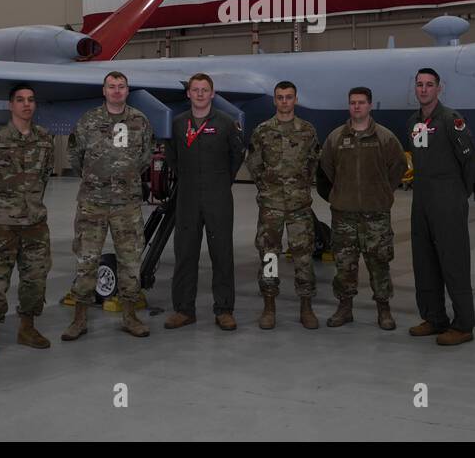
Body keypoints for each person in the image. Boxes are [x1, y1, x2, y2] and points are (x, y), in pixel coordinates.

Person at [63, 71, 155, 340]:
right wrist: (96, 180)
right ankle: (79, 319)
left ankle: (129, 316)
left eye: (121, 86)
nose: (116, 91)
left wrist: (123, 180)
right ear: (104, 91)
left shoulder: (140, 120)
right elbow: (75, 155)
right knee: (86, 260)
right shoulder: (89, 121)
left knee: (130, 261)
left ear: (128, 91)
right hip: (93, 203)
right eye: (111, 86)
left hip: (127, 204)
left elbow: (146, 156)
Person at [0, 83, 57, 357]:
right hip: (2, 224)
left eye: (31, 100)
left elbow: (44, 176)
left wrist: (29, 205)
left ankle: (27, 327)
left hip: (34, 223)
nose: (26, 105)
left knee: (35, 279)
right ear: (11, 105)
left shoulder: (45, 139)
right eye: (20, 100)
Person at [318, 87, 407, 330]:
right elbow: (326, 167)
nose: (356, 106)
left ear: (370, 105)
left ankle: (384, 310)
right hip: (343, 214)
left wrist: (382, 191)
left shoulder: (385, 138)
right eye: (352, 102)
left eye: (361, 102)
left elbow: (399, 166)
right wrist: (341, 194)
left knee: (379, 263)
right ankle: (344, 308)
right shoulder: (336, 138)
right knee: (344, 265)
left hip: (375, 215)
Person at [163, 73, 244, 331]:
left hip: (218, 197)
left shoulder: (226, 123)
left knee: (222, 254)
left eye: (204, 90)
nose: (199, 94)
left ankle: (224, 310)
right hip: (187, 197)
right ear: (188, 93)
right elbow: (172, 157)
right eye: (195, 89)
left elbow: (236, 157)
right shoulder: (177, 124)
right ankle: (184, 310)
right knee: (185, 253)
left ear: (212, 93)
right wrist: (188, 179)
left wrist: (220, 181)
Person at [405, 68, 475, 346]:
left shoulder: (452, 120)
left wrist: (459, 193)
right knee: (424, 261)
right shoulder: (413, 122)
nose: (424, 89)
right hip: (421, 199)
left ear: (439, 88)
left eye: (429, 85)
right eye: (419, 85)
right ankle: (434, 317)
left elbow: (471, 160)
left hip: (448, 199)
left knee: (454, 262)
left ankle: (463, 325)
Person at [245, 81, 321, 330]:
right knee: (269, 256)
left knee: (303, 256)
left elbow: (313, 164)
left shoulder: (307, 131)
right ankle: (269, 305)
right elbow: (254, 165)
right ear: (274, 101)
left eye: (289, 97)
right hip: (272, 206)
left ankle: (306, 306)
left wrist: (299, 188)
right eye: (280, 97)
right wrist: (269, 190)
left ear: (295, 99)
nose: (285, 102)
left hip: (299, 206)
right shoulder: (263, 131)